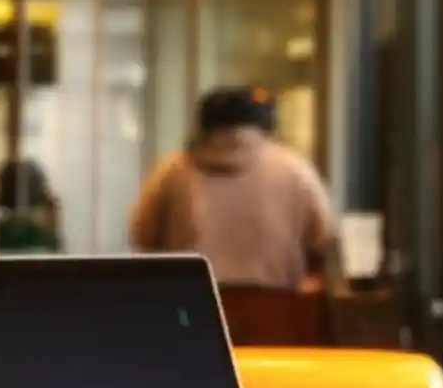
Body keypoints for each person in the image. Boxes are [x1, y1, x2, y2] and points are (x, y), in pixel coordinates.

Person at [131, 86, 333, 290]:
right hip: (276, 304)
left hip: (190, 302)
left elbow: (142, 233)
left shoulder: (172, 171)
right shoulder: (294, 170)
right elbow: (323, 240)